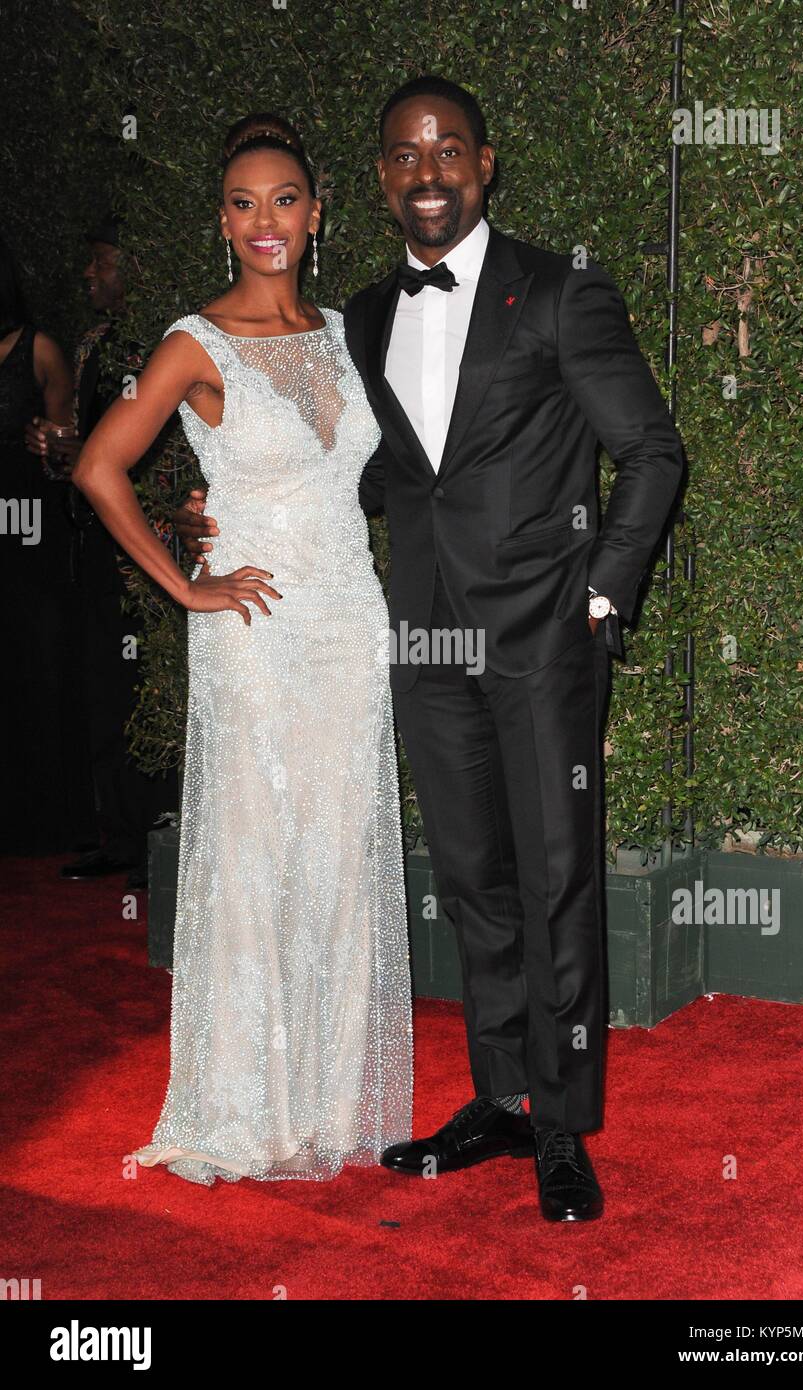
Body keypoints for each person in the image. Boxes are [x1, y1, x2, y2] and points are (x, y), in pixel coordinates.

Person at [175, 78, 685, 1220]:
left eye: (448, 150)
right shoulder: (358, 315)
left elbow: (650, 449)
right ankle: (500, 1097)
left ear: (485, 163)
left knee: (555, 878)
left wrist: (600, 596)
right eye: (405, 156)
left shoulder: (559, 292)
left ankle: (561, 1125)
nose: (429, 172)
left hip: (542, 640)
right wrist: (220, 519)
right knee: (471, 880)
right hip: (416, 637)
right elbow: (331, 463)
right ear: (379, 181)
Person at [72, 115, 413, 1185]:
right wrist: (186, 584)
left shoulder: (348, 333)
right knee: (257, 854)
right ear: (221, 220)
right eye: (240, 202)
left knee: (341, 850)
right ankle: (245, 1105)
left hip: (350, 622)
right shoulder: (193, 340)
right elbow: (97, 466)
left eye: (283, 200)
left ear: (316, 214)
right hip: (254, 632)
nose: (263, 221)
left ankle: (323, 1100)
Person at [26, 215, 174, 887]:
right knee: (100, 689)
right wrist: (56, 450)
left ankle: (156, 842)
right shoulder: (89, 344)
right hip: (90, 544)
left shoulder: (162, 344)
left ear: (134, 267)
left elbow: (162, 451)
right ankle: (116, 837)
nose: (89, 275)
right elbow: (84, 449)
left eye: (101, 263)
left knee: (141, 685)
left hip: (142, 549)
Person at [0, 234, 91, 853]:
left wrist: (55, 443)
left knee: (33, 658)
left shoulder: (40, 349)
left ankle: (43, 820)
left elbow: (74, 447)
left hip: (26, 523)